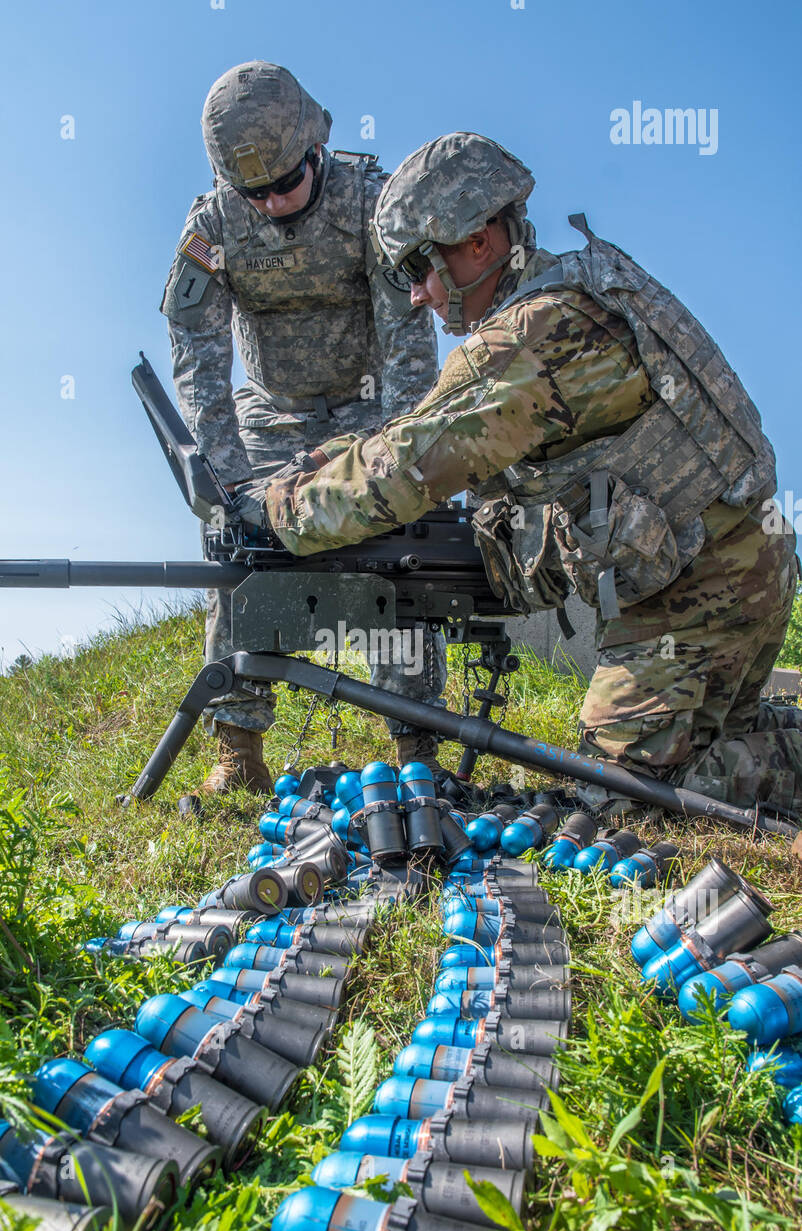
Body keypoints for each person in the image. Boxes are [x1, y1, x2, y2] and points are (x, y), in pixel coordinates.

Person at [262, 131, 802, 818]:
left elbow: (399, 472)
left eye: (419, 270)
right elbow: (426, 431)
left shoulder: (525, 340)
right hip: (734, 557)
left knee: (625, 801)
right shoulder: (577, 289)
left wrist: (279, 510)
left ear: (478, 243)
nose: (419, 296)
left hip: (701, 590)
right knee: (717, 733)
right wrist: (335, 458)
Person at [161, 61, 442, 793]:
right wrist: (225, 478)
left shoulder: (372, 206)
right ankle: (238, 749)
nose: (272, 204)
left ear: (317, 148)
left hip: (369, 404)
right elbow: (197, 356)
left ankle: (418, 747)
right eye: (254, 193)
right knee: (239, 554)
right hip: (267, 411)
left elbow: (410, 351)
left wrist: (392, 451)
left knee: (398, 552)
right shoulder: (213, 224)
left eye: (285, 183)